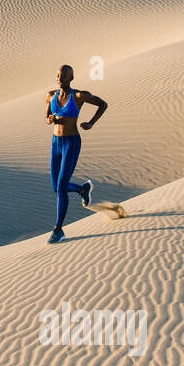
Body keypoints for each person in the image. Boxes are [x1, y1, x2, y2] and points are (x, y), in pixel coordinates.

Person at [44, 64, 107, 243]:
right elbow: (47, 117)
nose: (60, 78)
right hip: (56, 143)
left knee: (62, 185)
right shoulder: (50, 96)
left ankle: (58, 230)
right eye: (58, 75)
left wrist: (91, 123)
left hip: (71, 142)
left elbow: (103, 104)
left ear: (71, 78)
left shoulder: (78, 95)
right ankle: (82, 189)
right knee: (56, 187)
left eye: (64, 75)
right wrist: (50, 119)